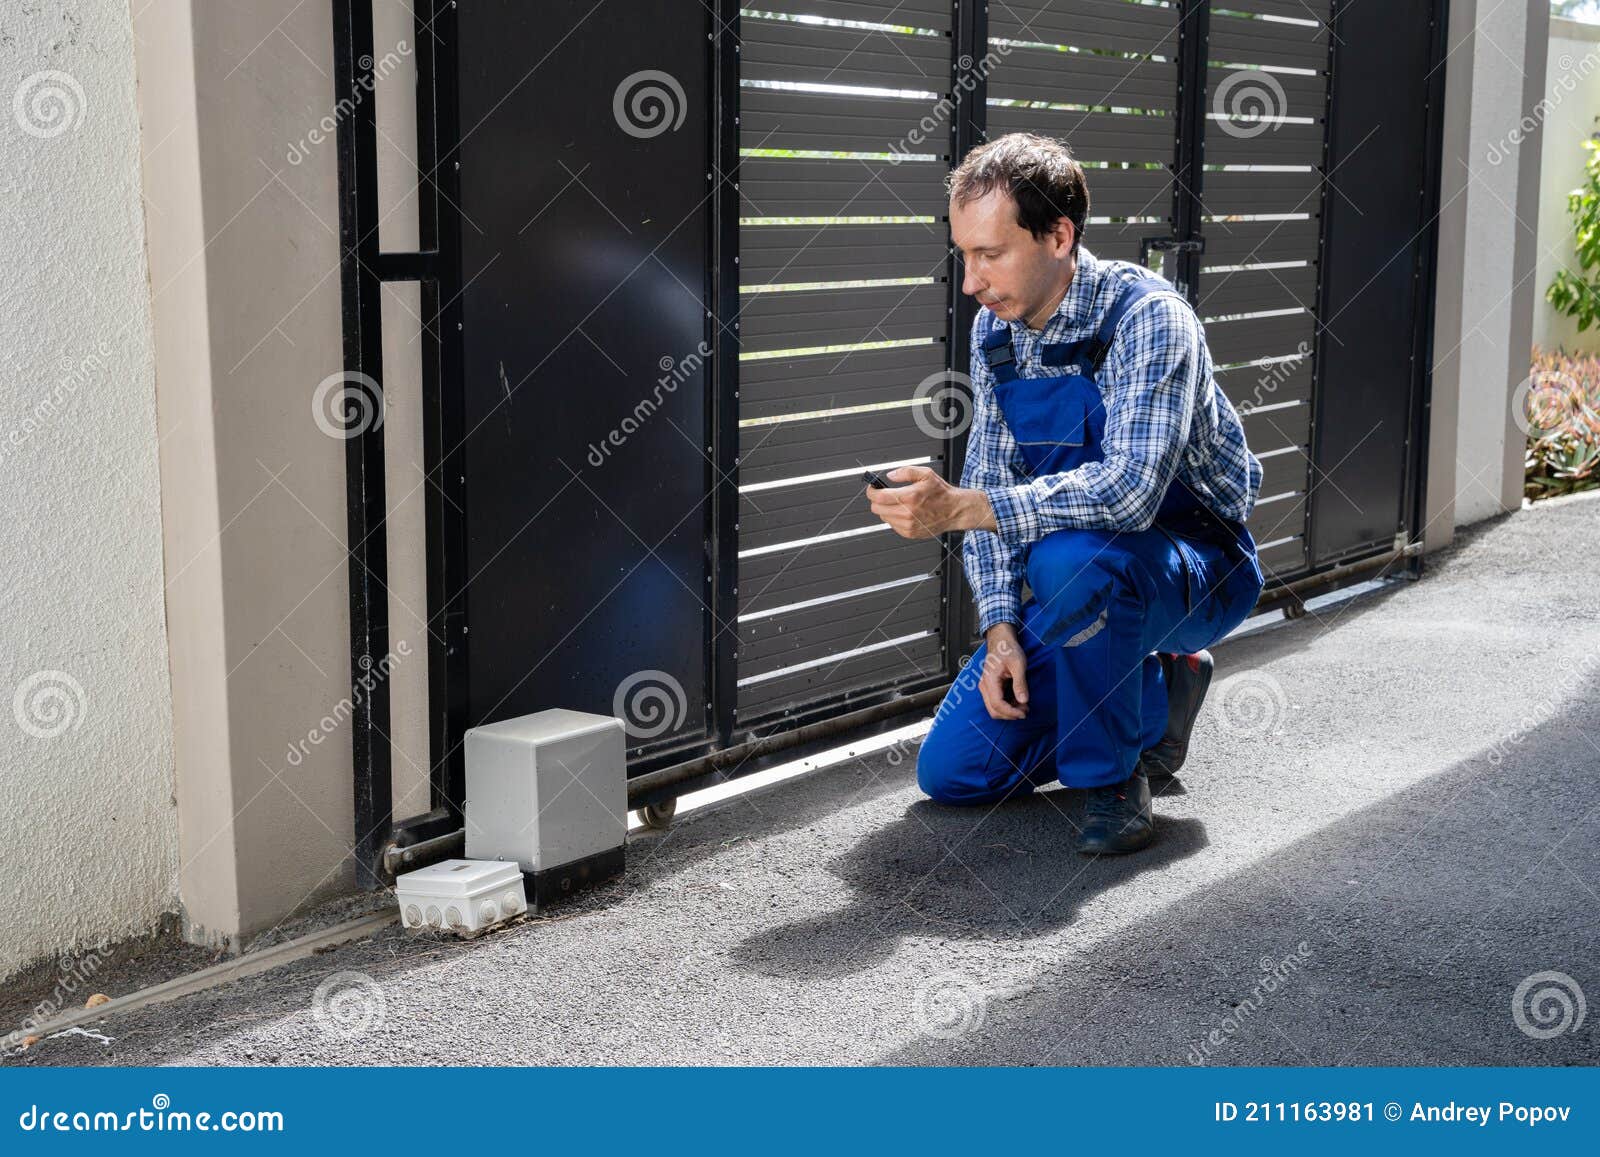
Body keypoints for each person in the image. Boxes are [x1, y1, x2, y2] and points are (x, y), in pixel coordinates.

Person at [864, 132, 1265, 855]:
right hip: (1089, 583)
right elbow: (990, 483)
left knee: (1067, 561)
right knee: (952, 771)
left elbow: (1132, 491)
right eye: (964, 255)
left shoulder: (1147, 318)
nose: (970, 282)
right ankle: (1155, 688)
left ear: (1058, 235)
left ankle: (1112, 780)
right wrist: (999, 631)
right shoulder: (997, 334)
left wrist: (961, 506)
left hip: (1200, 567)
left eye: (990, 255)